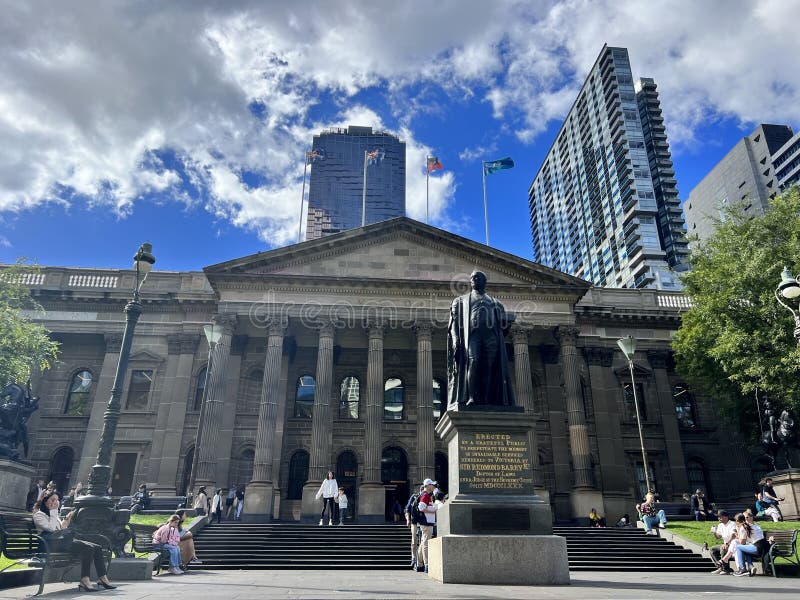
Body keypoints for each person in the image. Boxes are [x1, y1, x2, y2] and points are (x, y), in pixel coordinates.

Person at [446, 270, 515, 408]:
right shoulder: (460, 301)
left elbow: (503, 329)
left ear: (484, 281)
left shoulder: (496, 303)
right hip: (472, 336)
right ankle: (471, 397)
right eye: (472, 278)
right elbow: (453, 324)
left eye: (477, 277)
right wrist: (456, 341)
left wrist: (507, 323)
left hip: (491, 336)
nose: (474, 280)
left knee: (489, 366)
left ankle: (485, 398)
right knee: (474, 361)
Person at [33, 490, 116, 591]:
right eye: (52, 500)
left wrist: (66, 520)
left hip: (59, 543)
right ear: (45, 501)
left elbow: (60, 531)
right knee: (88, 548)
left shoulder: (53, 514)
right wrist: (54, 511)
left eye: (57, 500)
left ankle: (103, 578)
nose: (55, 502)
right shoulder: (39, 515)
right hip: (49, 545)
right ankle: (85, 579)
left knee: (97, 547)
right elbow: (51, 529)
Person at [416, 478, 438, 573]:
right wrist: (432, 511)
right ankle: (427, 565)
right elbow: (421, 508)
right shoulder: (425, 495)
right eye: (432, 485)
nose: (433, 486)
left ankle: (419, 564)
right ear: (428, 486)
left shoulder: (426, 495)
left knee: (423, 543)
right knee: (425, 543)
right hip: (426, 522)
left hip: (425, 522)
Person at [732, 512, 765, 576]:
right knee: (745, 548)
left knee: (738, 547)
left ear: (739, 521)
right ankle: (751, 566)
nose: (736, 523)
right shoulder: (755, 526)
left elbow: (742, 543)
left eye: (736, 521)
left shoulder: (743, 528)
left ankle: (742, 569)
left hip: (758, 549)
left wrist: (738, 531)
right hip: (764, 547)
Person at [405, 485, 425, 570]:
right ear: (421, 490)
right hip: (414, 522)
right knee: (414, 540)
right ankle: (413, 557)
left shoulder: (428, 497)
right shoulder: (414, 497)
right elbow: (408, 509)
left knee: (422, 541)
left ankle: (420, 560)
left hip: (423, 522)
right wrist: (408, 520)